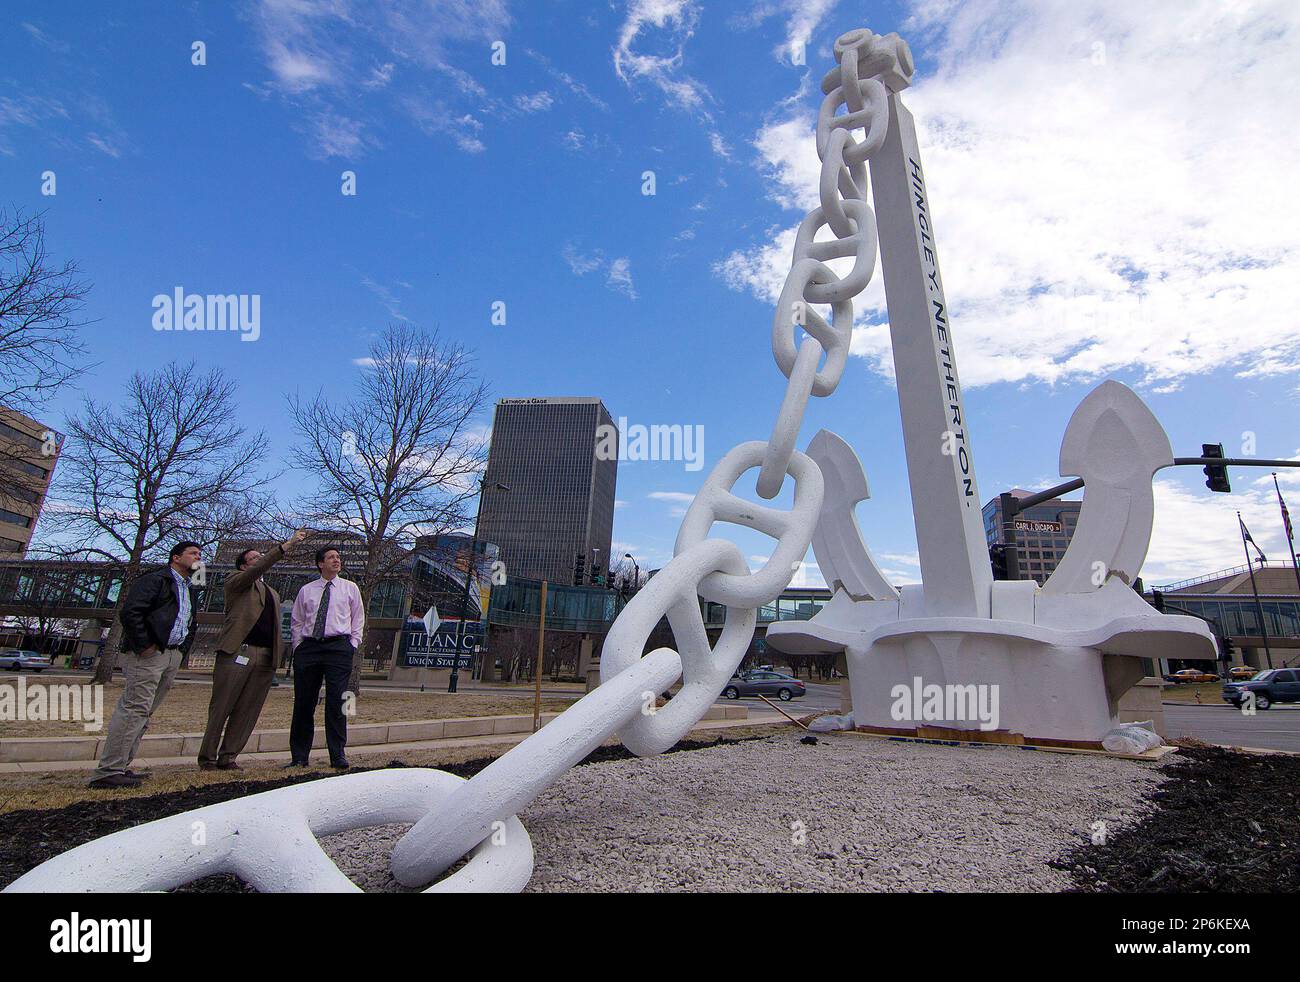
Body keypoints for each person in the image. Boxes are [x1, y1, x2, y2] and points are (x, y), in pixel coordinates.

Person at [89, 541, 201, 789]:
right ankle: (108, 770)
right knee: (134, 708)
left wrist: (181, 650)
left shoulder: (189, 587)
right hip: (149, 654)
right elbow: (131, 612)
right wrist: (145, 646)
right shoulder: (155, 580)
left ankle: (122, 766)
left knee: (145, 711)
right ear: (175, 557)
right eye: (193, 553)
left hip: (171, 654)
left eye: (200, 554)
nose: (198, 557)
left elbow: (190, 620)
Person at [197, 528, 309, 770]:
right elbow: (259, 569)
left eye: (261, 556)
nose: (259, 560)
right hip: (239, 652)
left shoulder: (272, 593)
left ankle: (229, 756)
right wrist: (286, 545)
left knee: (248, 709)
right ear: (243, 565)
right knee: (223, 706)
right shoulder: (235, 582)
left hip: (265, 655)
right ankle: (208, 757)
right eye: (254, 558)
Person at [288, 546, 365, 769]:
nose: (336, 560)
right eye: (331, 557)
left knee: (338, 701)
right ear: (320, 563)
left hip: (339, 647)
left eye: (338, 557)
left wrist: (353, 644)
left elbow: (358, 618)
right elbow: (297, 620)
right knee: (304, 702)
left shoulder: (350, 588)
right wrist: (298, 646)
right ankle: (299, 756)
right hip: (310, 647)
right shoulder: (307, 590)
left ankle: (337, 754)